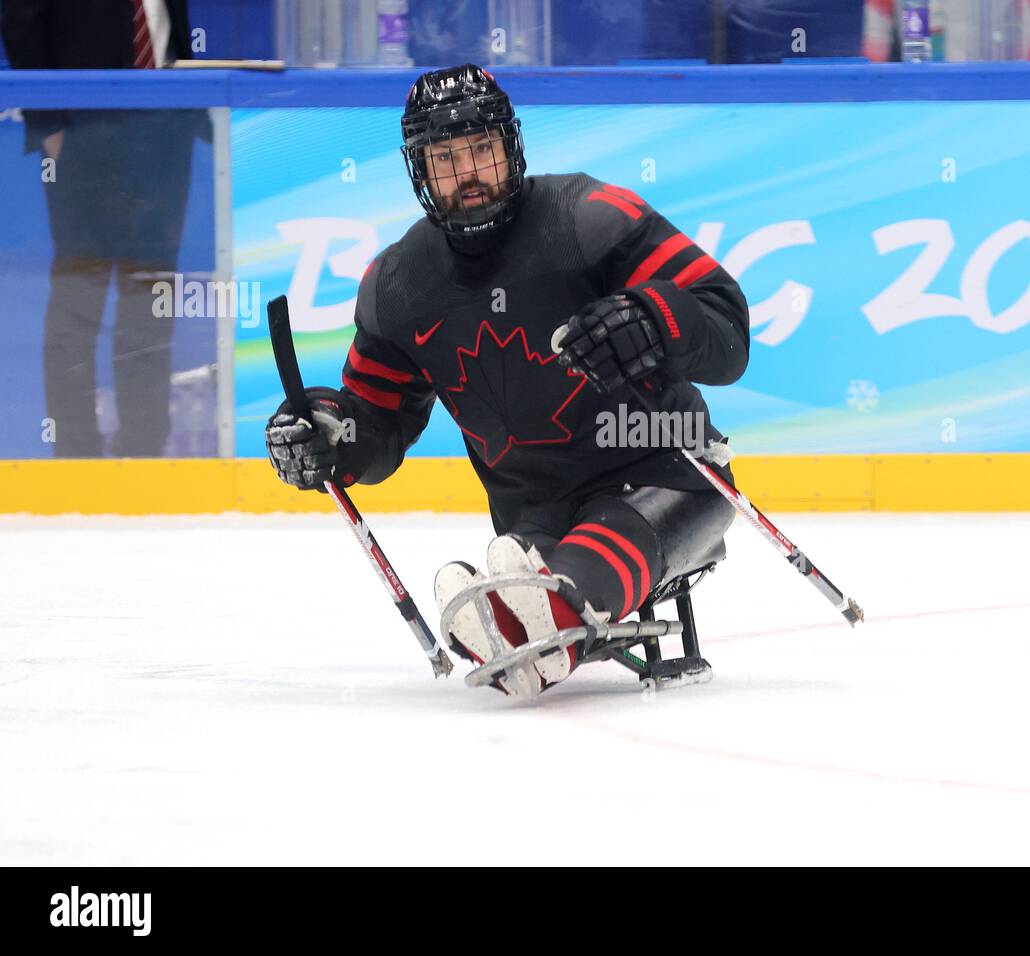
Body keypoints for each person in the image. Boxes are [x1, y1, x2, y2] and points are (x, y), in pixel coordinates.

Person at [266, 65, 749, 696]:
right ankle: (524, 608)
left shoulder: (591, 218)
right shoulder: (397, 286)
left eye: (481, 150)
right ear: (418, 169)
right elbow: (375, 424)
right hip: (534, 512)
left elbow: (726, 327)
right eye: (446, 158)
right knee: (536, 561)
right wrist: (329, 433)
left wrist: (651, 320)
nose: (468, 173)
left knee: (593, 545)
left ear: (511, 147)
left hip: (668, 473)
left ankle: (537, 605)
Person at [1, 0, 206, 457]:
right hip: (83, 137)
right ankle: (74, 452)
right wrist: (48, 121)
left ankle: (145, 447)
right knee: (79, 297)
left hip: (165, 135)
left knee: (151, 296)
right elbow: (20, 19)